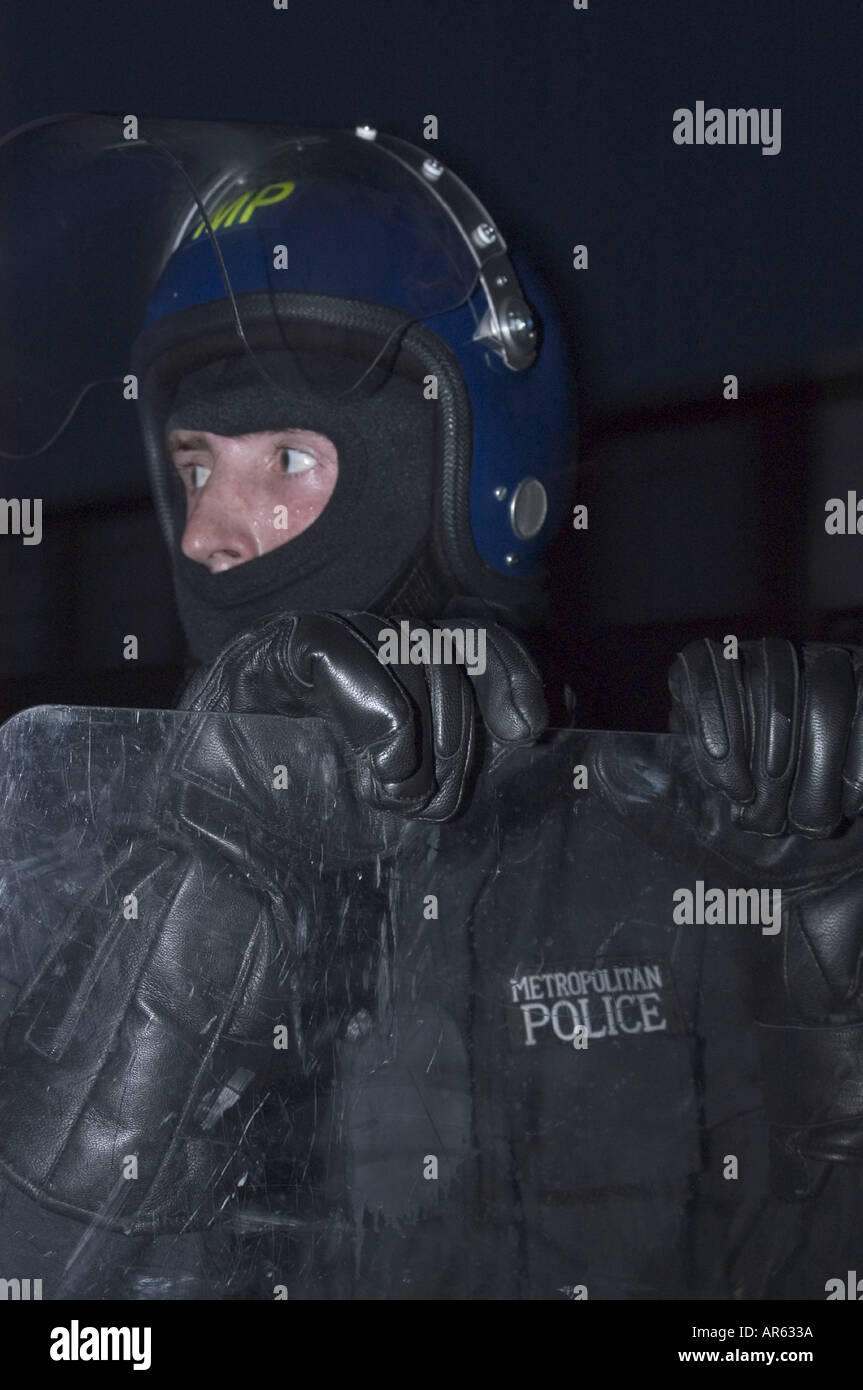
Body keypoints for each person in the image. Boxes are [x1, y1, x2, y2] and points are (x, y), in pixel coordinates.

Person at [0, 117, 861, 1300]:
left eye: (285, 463)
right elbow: (56, 1302)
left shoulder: (668, 861)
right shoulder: (85, 851)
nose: (205, 532)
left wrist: (834, 1023)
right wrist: (207, 896)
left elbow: (777, 1309)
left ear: (458, 478)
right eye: (196, 466)